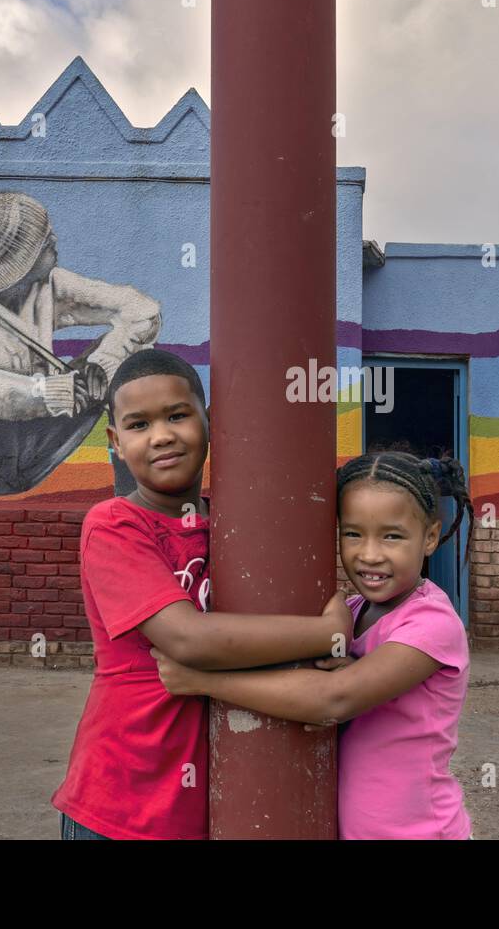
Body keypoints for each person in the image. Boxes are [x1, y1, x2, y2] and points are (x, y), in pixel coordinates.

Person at [50, 348, 353, 840]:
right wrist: (326, 634)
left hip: (203, 808)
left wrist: (321, 657)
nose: (162, 435)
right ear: (115, 442)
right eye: (138, 425)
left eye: (177, 415)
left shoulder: (233, 528)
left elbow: (258, 635)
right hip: (121, 803)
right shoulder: (114, 526)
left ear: (209, 421)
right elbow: (188, 640)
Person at [154, 450, 475, 839]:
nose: (370, 554)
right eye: (353, 533)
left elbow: (333, 699)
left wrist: (202, 681)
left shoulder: (431, 623)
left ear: (429, 537)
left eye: (392, 536)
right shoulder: (350, 611)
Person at [0, 190, 162, 508]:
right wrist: (44, 392)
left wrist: (103, 362)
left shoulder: (45, 283)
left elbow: (142, 310)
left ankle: (132, 502)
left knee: (134, 364)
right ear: (14, 262)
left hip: (35, 431)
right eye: (43, 242)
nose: (54, 240)